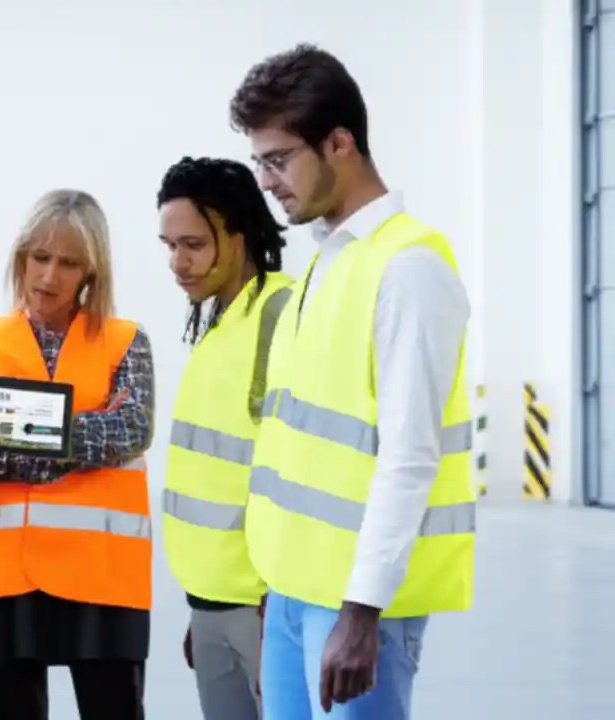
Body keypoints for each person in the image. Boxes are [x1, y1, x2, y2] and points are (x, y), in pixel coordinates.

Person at [229, 44, 476, 719]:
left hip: (358, 607)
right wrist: (272, 585)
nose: (267, 180)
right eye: (260, 163)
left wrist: (362, 612)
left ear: (339, 143)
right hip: (291, 593)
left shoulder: (409, 268)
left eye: (277, 160)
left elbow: (409, 454)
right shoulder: (326, 263)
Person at [0, 189, 155, 720]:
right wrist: (87, 433)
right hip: (7, 574)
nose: (49, 275)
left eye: (68, 263)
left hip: (106, 573)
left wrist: (23, 429)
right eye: (39, 258)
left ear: (92, 271)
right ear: (21, 257)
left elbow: (132, 429)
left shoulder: (126, 340)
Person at [157, 156, 293, 720]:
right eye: (168, 245)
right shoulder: (217, 323)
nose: (177, 263)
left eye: (192, 244)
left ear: (237, 234)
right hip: (212, 601)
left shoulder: (279, 314)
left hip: (263, 606)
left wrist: (274, 600)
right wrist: (202, 609)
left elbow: (292, 464)